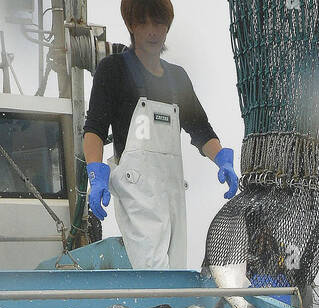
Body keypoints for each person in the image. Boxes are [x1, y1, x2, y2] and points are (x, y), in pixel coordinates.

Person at [83, 0, 239, 271]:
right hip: (136, 186)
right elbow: (94, 128)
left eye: (159, 23)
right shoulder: (114, 69)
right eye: (143, 23)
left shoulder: (177, 78)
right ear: (132, 26)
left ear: (167, 28)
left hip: (171, 186)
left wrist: (222, 160)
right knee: (152, 266)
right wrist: (96, 174)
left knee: (176, 265)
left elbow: (200, 129)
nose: (153, 31)